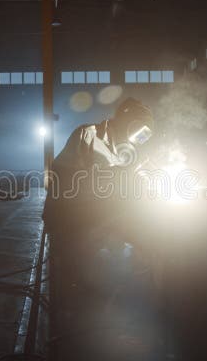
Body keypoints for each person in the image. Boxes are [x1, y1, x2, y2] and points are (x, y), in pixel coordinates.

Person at [43, 97, 155, 292]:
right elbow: (61, 176)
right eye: (139, 130)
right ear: (125, 120)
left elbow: (143, 174)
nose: (140, 137)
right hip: (76, 223)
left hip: (108, 225)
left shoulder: (135, 145)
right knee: (76, 286)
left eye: (145, 133)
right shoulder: (88, 135)